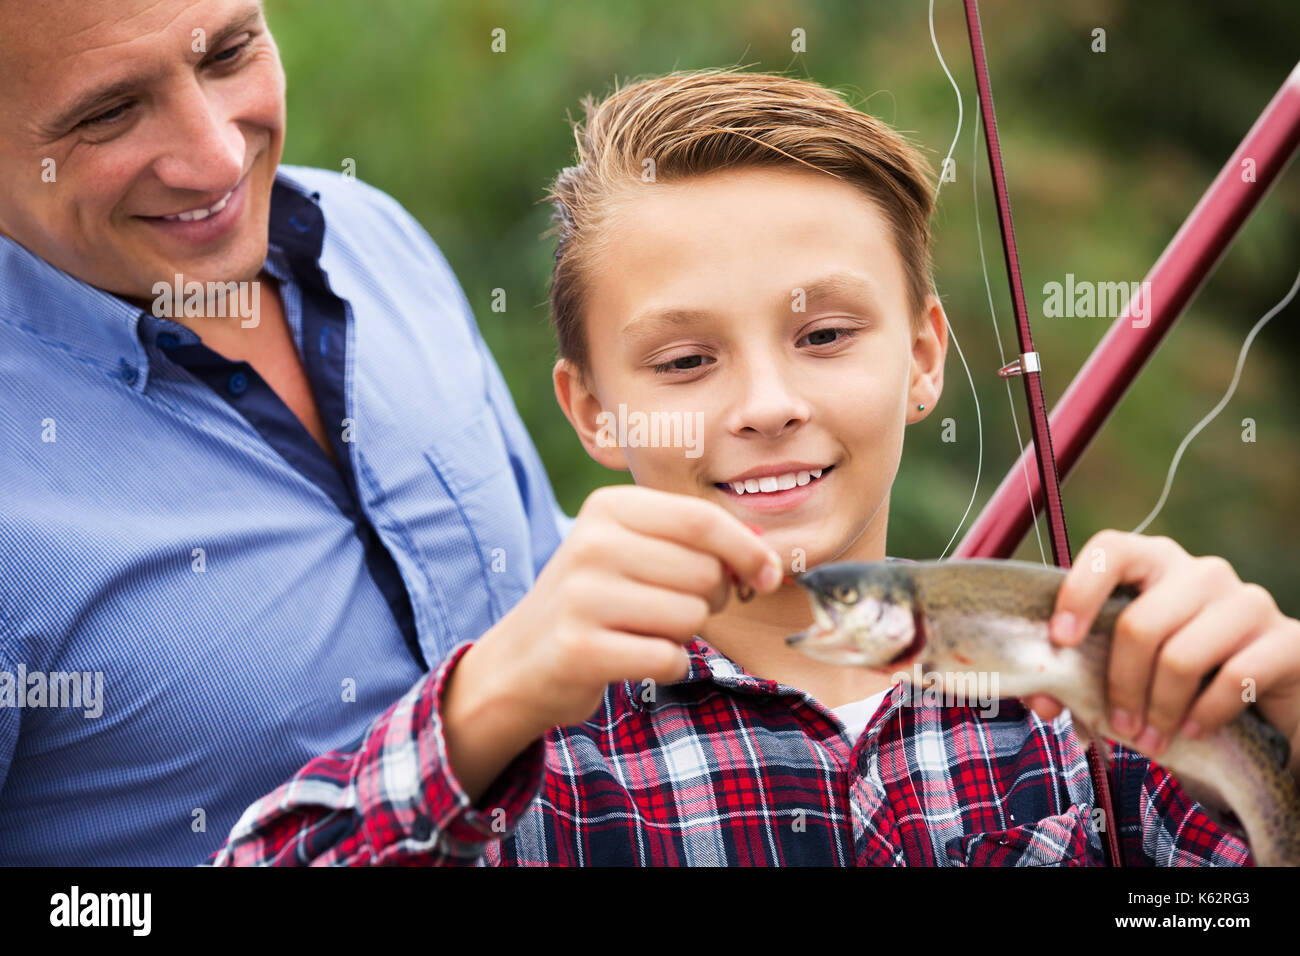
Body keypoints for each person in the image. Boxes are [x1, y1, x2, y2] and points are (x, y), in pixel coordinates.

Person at [219, 67, 1300, 866]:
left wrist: (1285, 711)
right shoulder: (529, 754)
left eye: (825, 335)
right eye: (686, 360)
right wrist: (484, 708)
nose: (767, 405)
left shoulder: (1094, 706)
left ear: (922, 358)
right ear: (592, 409)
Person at [0, 0, 566, 864]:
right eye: (110, 113)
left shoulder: (372, 236)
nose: (219, 157)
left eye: (228, 54)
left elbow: (540, 583)